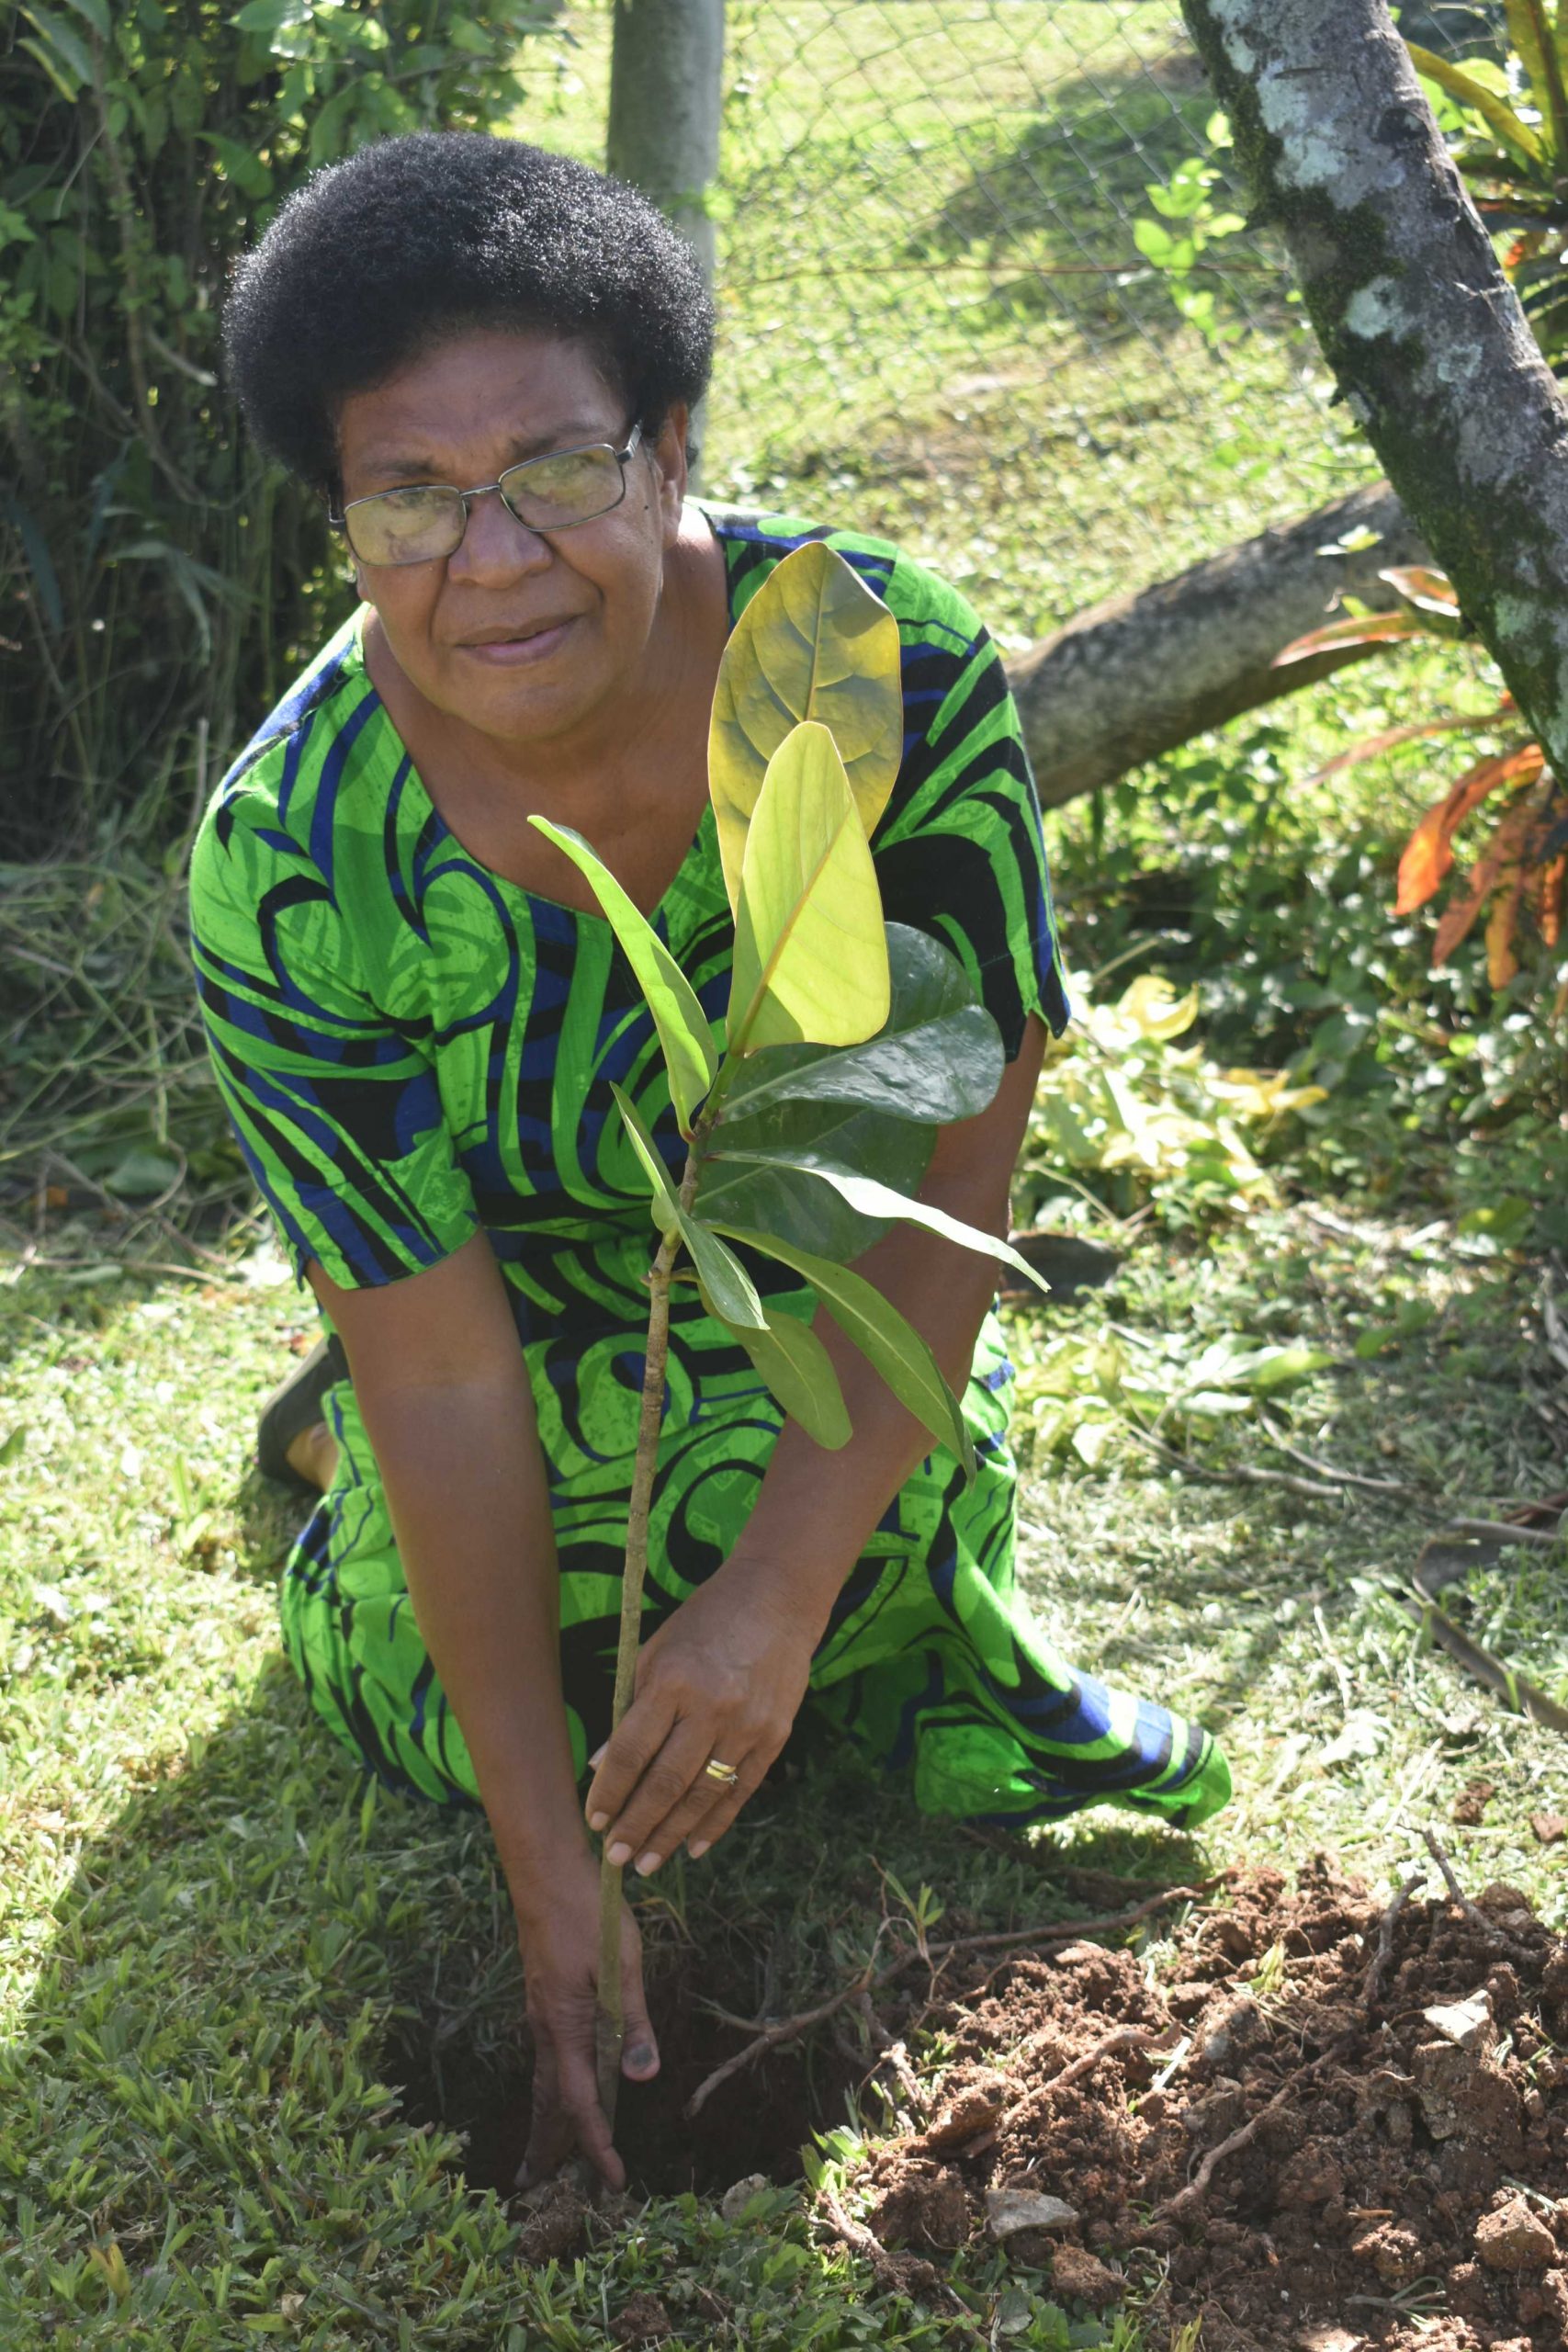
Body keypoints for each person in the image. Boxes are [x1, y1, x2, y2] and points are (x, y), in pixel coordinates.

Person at [192, 130, 1230, 2192]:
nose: (487, 559)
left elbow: (950, 1171)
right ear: (341, 514)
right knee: (486, 1709)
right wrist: (540, 1868)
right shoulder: (290, 857)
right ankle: (334, 1503)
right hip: (496, 1339)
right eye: (406, 492)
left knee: (826, 1651)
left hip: (806, 1295)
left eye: (555, 469)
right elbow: (450, 1367)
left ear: (667, 445)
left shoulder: (870, 676)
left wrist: (765, 1591)